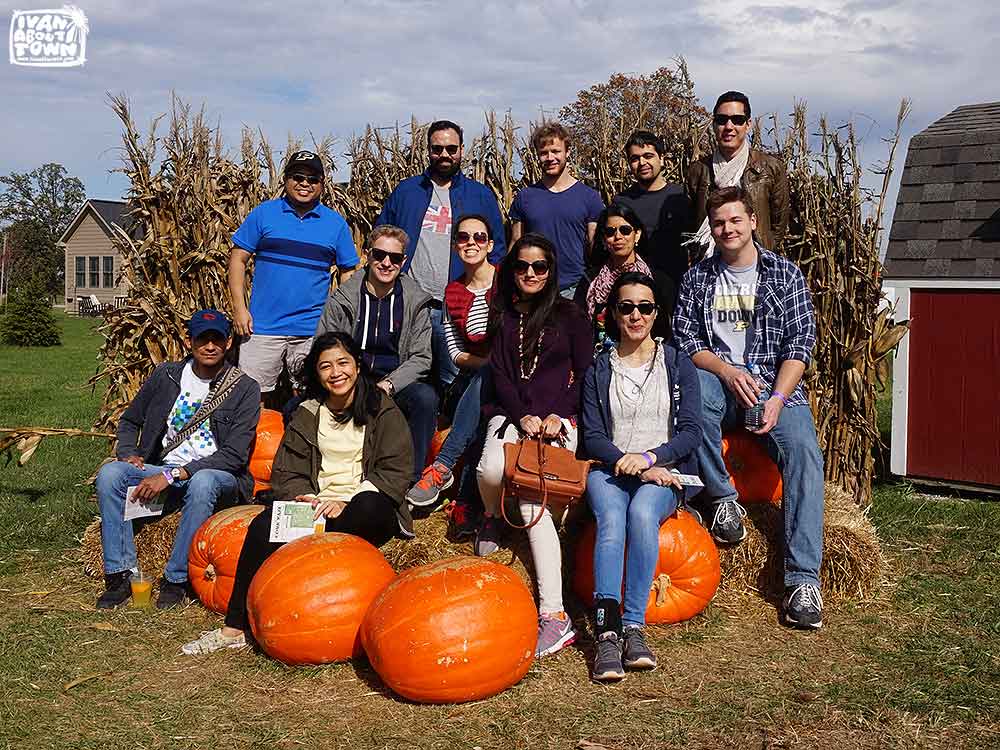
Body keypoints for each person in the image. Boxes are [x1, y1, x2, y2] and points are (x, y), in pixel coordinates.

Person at [181, 332, 413, 655]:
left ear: (357, 367)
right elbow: (286, 472)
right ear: (317, 374)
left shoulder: (381, 409)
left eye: (343, 363)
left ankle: (317, 561)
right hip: (317, 508)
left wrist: (347, 500)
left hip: (362, 505)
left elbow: (395, 467)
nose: (336, 373)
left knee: (369, 507)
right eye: (326, 366)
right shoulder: (307, 413)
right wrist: (305, 496)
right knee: (262, 527)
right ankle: (234, 626)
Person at [673, 186, 824, 630]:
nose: (727, 229)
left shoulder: (785, 275)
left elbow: (800, 344)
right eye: (719, 223)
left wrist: (777, 397)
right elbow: (688, 344)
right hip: (721, 380)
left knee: (803, 453)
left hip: (774, 387)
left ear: (753, 222)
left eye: (735, 220)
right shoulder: (697, 278)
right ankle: (723, 500)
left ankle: (802, 581)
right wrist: (725, 370)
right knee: (691, 397)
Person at [475, 233, 594, 657]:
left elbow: (585, 375)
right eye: (522, 266)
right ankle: (491, 516)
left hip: (559, 421)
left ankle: (555, 616)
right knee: (490, 470)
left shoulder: (571, 317)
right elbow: (502, 376)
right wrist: (520, 414)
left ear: (551, 271)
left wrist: (557, 416)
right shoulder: (504, 316)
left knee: (533, 500)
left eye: (539, 267)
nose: (529, 274)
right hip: (514, 415)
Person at [580, 272, 702, 681]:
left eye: (644, 307)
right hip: (610, 470)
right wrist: (625, 460)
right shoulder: (599, 368)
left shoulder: (677, 363)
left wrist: (651, 459)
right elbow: (593, 435)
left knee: (643, 516)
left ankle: (633, 626)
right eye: (626, 307)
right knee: (612, 522)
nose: (635, 315)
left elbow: (690, 431)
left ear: (656, 313)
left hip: (663, 472)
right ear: (613, 314)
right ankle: (607, 632)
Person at [95, 310, 261, 609]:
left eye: (217, 339)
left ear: (228, 342)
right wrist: (129, 453)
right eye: (202, 339)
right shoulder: (166, 376)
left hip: (216, 476)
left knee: (202, 481)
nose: (210, 346)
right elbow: (130, 420)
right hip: (164, 466)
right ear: (189, 341)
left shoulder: (244, 388)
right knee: (111, 475)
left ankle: (177, 578)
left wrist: (172, 476)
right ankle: (120, 574)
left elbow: (233, 456)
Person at [376, 120, 506, 389]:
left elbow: (498, 250)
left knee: (454, 379)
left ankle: (453, 430)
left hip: (457, 306)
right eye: (437, 149)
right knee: (408, 377)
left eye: (451, 148)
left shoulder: (479, 195)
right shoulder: (407, 192)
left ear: (461, 150)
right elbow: (382, 237)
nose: (444, 154)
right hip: (413, 304)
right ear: (428, 150)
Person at [229, 150, 359, 400]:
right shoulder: (263, 214)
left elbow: (348, 273)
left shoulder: (335, 224)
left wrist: (341, 321)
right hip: (262, 327)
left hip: (311, 329)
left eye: (312, 179)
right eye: (298, 177)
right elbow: (238, 259)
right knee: (252, 398)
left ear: (322, 184)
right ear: (286, 179)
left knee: (312, 398)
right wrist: (239, 308)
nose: (304, 184)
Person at [315, 225, 437, 484]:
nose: (386, 263)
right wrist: (347, 382)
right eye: (379, 255)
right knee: (299, 406)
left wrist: (389, 385)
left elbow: (421, 357)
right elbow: (325, 346)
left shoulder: (414, 301)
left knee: (425, 399)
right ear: (367, 255)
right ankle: (314, 477)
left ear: (403, 262)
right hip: (351, 379)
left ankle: (408, 482)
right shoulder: (343, 299)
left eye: (394, 258)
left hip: (393, 381)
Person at [406, 215, 496, 534]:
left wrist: (496, 365)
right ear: (455, 244)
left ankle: (442, 467)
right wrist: (489, 364)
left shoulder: (508, 284)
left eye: (479, 237)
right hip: (476, 379)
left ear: (491, 244)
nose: (471, 242)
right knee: (482, 414)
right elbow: (455, 353)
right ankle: (467, 506)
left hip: (514, 381)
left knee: (489, 379)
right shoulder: (453, 292)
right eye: (463, 237)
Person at [686, 92, 789, 260]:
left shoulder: (771, 168)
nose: (729, 126)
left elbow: (779, 223)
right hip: (708, 261)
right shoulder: (698, 171)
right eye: (722, 120)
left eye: (737, 120)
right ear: (713, 125)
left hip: (756, 261)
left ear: (748, 124)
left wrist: (763, 247)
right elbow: (690, 221)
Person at [510, 122, 605, 299]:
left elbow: (594, 245)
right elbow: (516, 241)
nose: (550, 157)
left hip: (575, 288)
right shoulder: (525, 197)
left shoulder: (589, 197)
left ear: (567, 152)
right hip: (535, 287)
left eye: (556, 151)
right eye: (544, 153)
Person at [575, 203, 676, 344]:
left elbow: (667, 329)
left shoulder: (659, 281)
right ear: (603, 240)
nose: (618, 236)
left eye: (625, 230)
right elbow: (577, 327)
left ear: (637, 235)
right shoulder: (589, 280)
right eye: (610, 232)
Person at [614, 130, 691, 290]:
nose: (642, 163)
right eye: (635, 159)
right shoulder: (621, 202)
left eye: (648, 156)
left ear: (661, 159)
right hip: (636, 289)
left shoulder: (681, 197)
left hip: (677, 286)